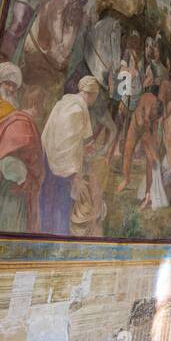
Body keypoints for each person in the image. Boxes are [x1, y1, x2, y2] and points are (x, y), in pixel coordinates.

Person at [0, 85, 47, 232]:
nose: (44, 109)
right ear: (36, 104)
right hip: (12, 194)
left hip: (17, 191)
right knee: (9, 229)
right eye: (43, 104)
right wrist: (25, 179)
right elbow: (6, 161)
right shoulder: (21, 125)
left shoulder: (20, 121)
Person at [39, 76, 104, 235]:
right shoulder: (78, 109)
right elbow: (68, 144)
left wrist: (83, 148)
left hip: (50, 160)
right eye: (95, 96)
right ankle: (60, 237)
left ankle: (47, 234)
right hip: (65, 170)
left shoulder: (63, 103)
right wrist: (75, 176)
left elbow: (61, 137)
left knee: (49, 200)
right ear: (92, 93)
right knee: (62, 205)